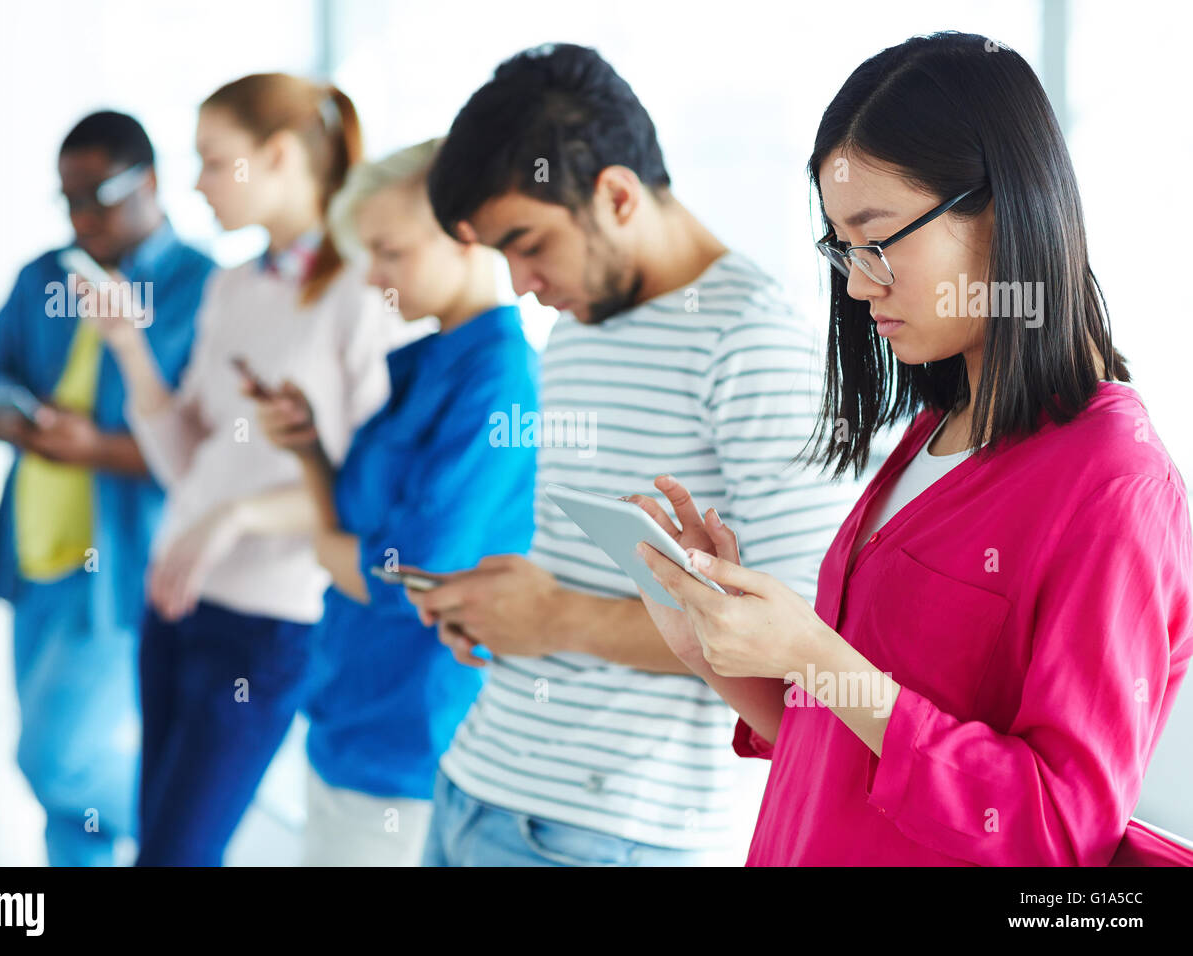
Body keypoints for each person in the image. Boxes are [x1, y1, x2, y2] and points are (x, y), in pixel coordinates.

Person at [632, 31, 1193, 866]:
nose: (857, 286)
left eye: (878, 239)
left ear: (1003, 209)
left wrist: (817, 653)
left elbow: (1059, 832)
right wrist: (715, 650)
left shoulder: (1115, 485)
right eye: (842, 249)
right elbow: (848, 742)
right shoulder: (933, 430)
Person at [404, 44, 859, 866]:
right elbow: (579, 563)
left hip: (607, 834)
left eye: (527, 243)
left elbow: (805, 632)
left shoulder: (753, 338)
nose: (518, 284)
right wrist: (498, 606)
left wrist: (554, 619)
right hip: (478, 779)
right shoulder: (578, 329)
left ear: (615, 194)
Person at [95, 74, 405, 866]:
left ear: (277, 157)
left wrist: (233, 517)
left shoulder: (366, 293)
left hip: (267, 621)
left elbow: (364, 492)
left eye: (211, 159)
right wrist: (130, 350)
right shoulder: (234, 284)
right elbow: (190, 462)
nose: (194, 183)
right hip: (175, 594)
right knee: (154, 845)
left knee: (175, 855)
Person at [248, 138, 539, 865]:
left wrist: (331, 550)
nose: (373, 278)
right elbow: (354, 534)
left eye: (390, 253)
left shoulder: (499, 383)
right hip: (352, 709)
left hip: (415, 735)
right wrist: (309, 451)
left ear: (466, 237)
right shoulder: (425, 366)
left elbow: (414, 579)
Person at [0, 111, 215, 866]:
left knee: (52, 758)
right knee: (62, 802)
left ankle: (190, 824)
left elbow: (206, 446)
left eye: (97, 197)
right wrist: (17, 419)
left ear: (150, 183)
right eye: (67, 199)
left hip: (121, 561)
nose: (80, 218)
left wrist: (94, 448)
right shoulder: (46, 275)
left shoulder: (201, 287)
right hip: (34, 555)